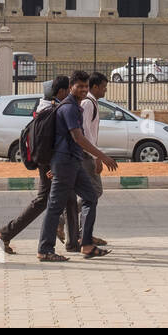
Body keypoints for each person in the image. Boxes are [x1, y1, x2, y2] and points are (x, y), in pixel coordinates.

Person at [36, 72, 118, 261]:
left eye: (85, 86)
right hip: (65, 163)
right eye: (79, 86)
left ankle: (87, 244)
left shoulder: (77, 106)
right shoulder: (69, 108)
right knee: (55, 206)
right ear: (71, 87)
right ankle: (45, 249)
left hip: (73, 162)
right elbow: (78, 137)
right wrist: (102, 156)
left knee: (91, 196)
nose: (83, 89)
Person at [0, 75, 78, 254]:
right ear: (62, 92)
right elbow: (46, 143)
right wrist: (50, 167)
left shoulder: (45, 107)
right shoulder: (51, 112)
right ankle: (6, 233)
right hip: (49, 163)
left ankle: (73, 241)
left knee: (69, 197)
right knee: (42, 201)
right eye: (69, 89)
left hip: (51, 163)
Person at [78, 71, 112, 249]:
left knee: (91, 194)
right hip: (85, 155)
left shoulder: (92, 103)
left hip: (88, 154)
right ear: (95, 87)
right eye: (104, 87)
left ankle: (83, 233)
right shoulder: (88, 104)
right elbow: (83, 132)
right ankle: (79, 232)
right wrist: (97, 155)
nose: (105, 90)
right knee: (93, 192)